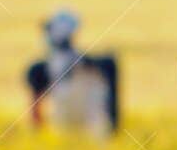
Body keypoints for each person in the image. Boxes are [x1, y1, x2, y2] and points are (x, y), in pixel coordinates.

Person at [26, 9, 119, 137]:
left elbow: (35, 117)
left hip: (61, 135)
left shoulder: (40, 69)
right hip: (96, 136)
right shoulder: (102, 64)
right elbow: (113, 109)